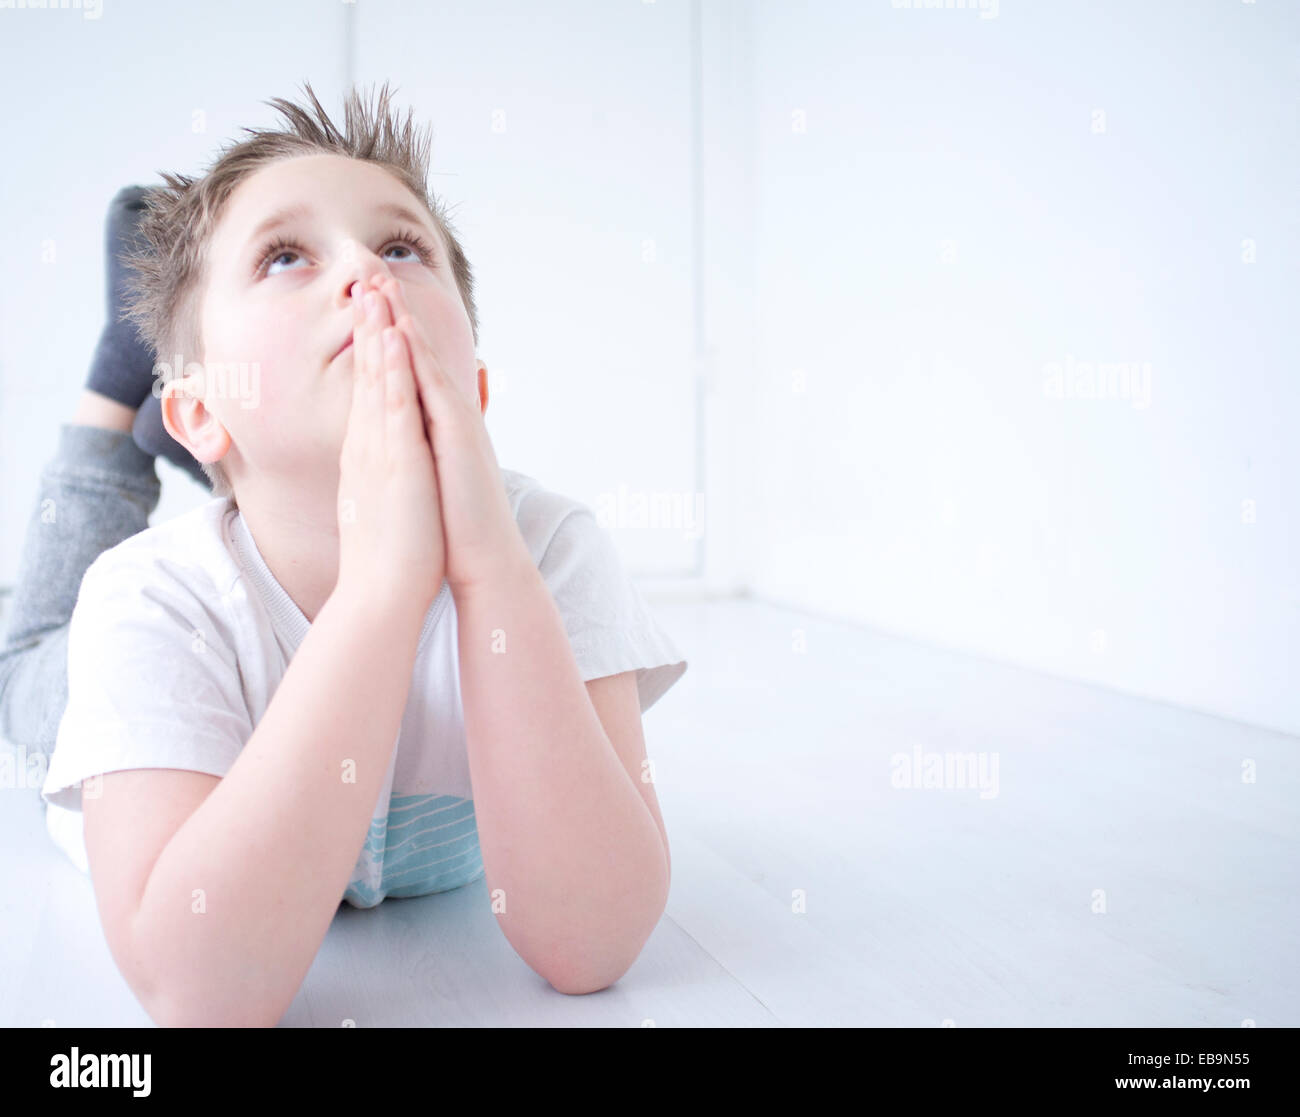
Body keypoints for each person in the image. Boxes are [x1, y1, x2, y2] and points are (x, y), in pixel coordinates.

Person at [0, 82, 687, 1024]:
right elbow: (200, 992)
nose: (369, 271)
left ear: (477, 384)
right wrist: (377, 593)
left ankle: (256, 462)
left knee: (285, 469)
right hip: (97, 681)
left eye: (402, 247)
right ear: (198, 406)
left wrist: (490, 573)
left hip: (258, 468)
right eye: (285, 256)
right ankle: (123, 383)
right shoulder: (148, 601)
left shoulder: (550, 552)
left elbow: (594, 942)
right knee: (26, 665)